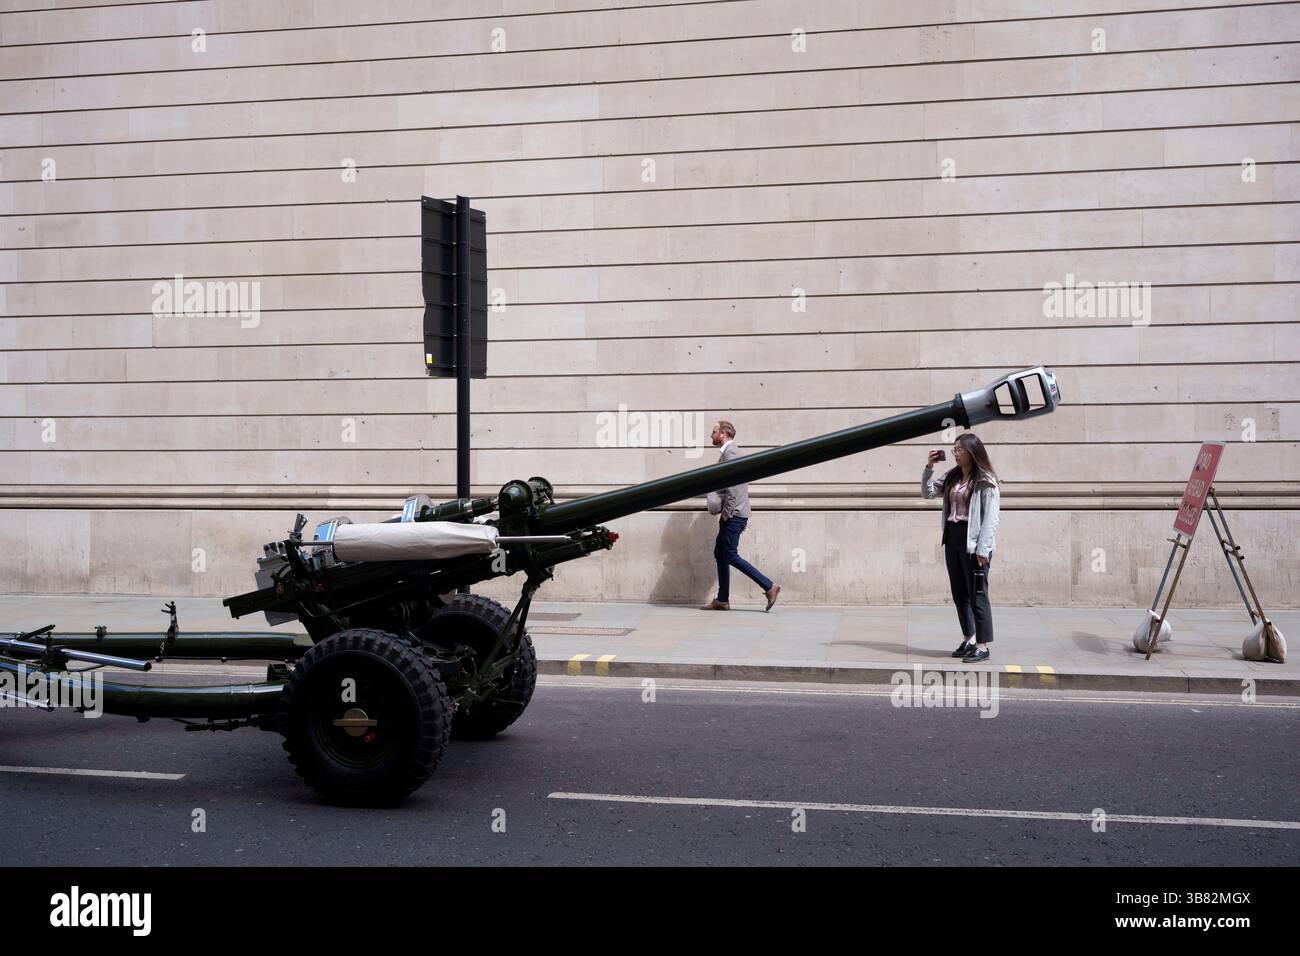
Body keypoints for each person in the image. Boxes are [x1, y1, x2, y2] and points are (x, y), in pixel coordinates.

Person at [921, 433, 1000, 662]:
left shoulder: (985, 480)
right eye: (954, 449)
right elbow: (927, 493)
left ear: (971, 452)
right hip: (952, 537)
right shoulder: (952, 477)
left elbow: (991, 519)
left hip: (973, 542)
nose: (955, 453)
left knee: (977, 594)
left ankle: (983, 646)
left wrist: (983, 550)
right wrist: (929, 467)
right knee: (959, 593)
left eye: (959, 449)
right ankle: (969, 639)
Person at [701, 420, 781, 611]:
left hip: (734, 514)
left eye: (713, 432)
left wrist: (727, 514)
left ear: (723, 434)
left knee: (729, 554)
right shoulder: (728, 453)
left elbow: (734, 488)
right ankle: (722, 599)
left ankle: (769, 586)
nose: (710, 435)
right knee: (720, 553)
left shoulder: (731, 452)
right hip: (733, 514)